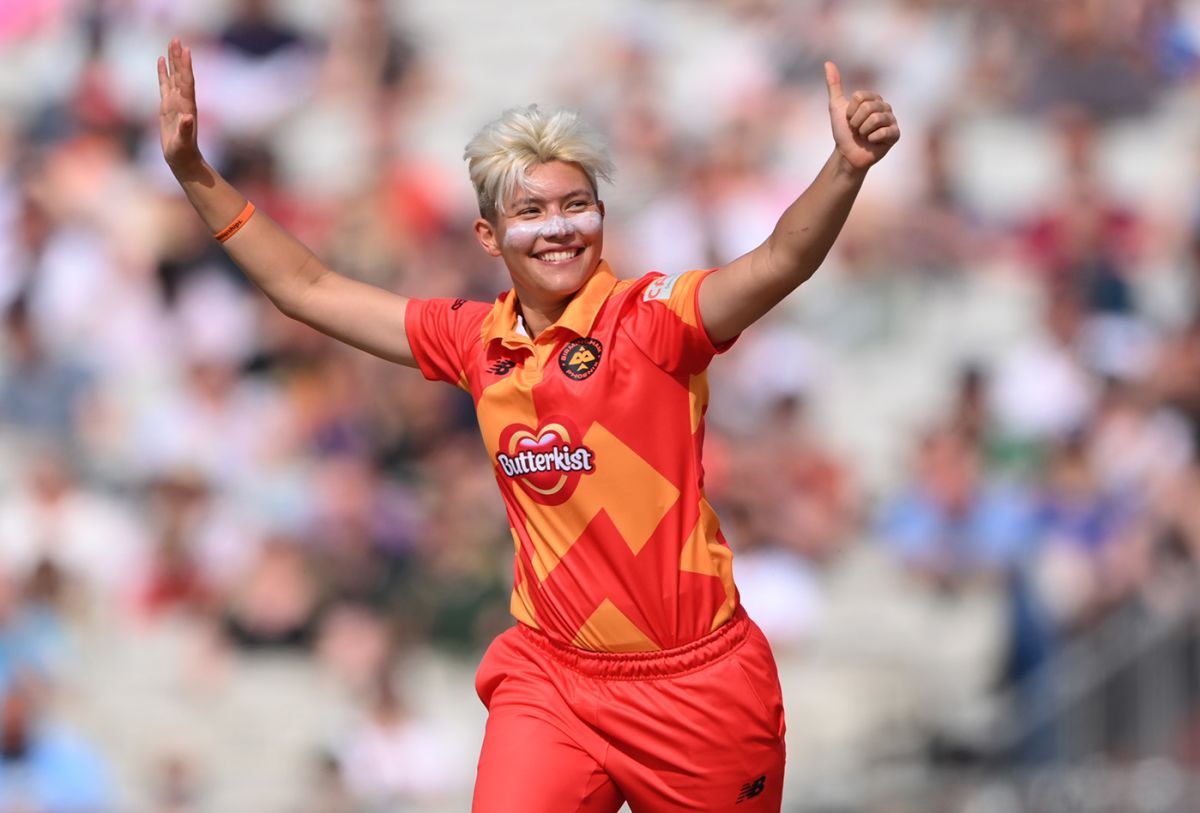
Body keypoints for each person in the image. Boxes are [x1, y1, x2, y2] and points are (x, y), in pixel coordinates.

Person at [157, 36, 898, 813]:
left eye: (576, 204)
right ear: (488, 236)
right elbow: (306, 286)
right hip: (554, 679)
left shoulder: (652, 320)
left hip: (696, 687)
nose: (558, 227)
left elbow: (779, 258)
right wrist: (193, 172)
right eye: (532, 210)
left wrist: (845, 169)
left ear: (602, 217)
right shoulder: (477, 342)